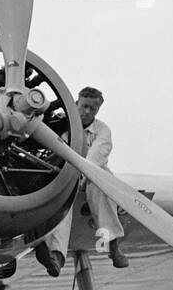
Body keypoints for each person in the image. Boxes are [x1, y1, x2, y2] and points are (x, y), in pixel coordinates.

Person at [34, 86, 128, 276]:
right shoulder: (61, 125)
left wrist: (85, 173)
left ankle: (112, 243)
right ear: (76, 104)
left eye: (92, 109)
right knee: (61, 202)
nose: (87, 112)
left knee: (101, 185)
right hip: (66, 176)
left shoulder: (102, 130)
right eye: (84, 106)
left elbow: (97, 154)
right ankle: (56, 257)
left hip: (93, 175)